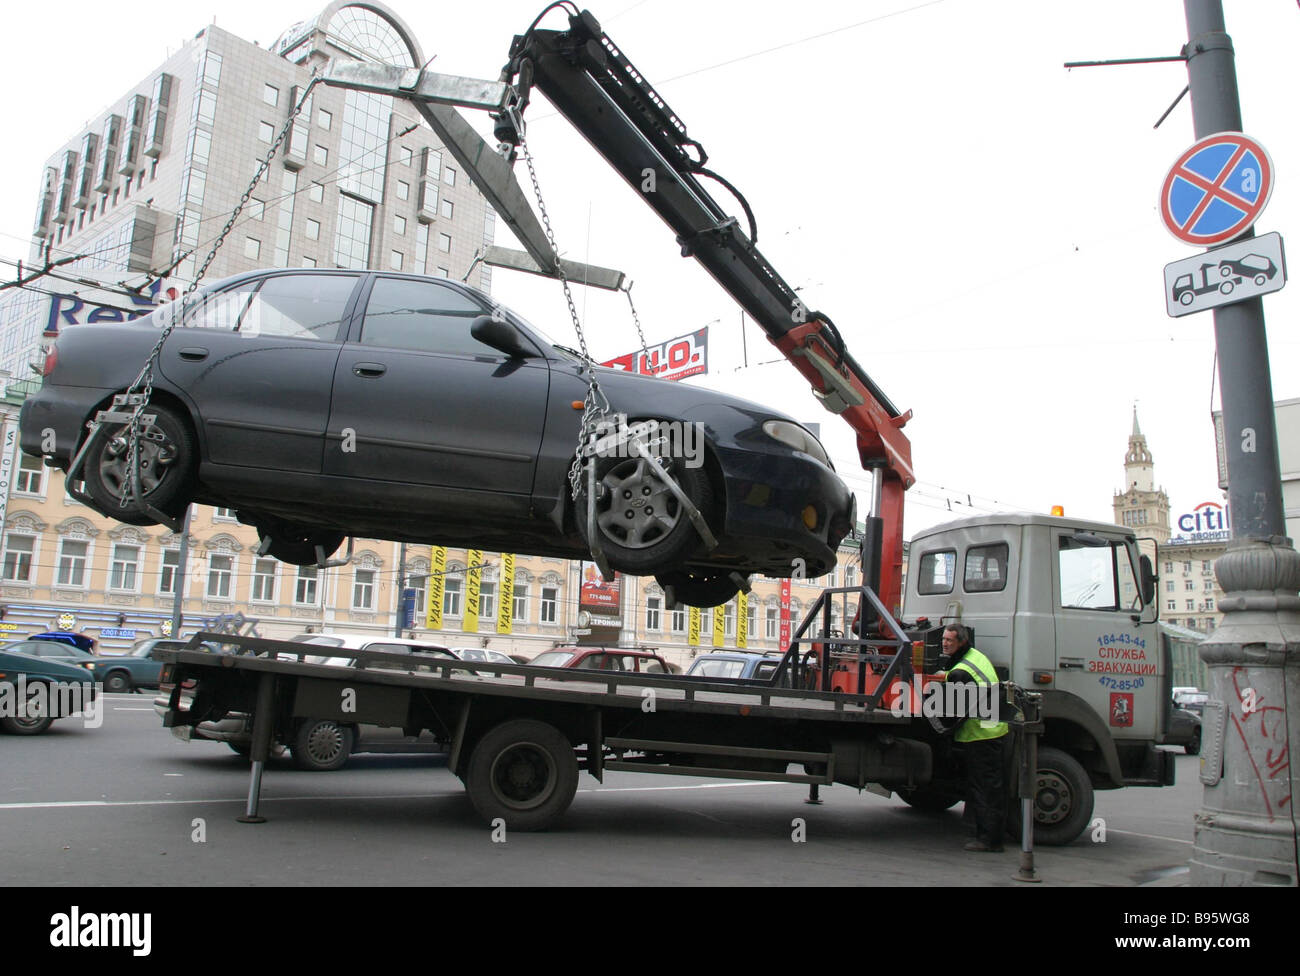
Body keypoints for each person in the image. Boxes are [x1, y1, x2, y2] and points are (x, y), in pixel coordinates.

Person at [937, 623, 1009, 853]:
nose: (945, 643)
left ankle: (989, 840)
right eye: (944, 639)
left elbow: (953, 712)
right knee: (986, 787)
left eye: (950, 640)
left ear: (961, 642)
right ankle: (986, 835)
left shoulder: (962, 670)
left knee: (985, 788)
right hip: (988, 730)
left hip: (982, 734)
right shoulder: (972, 657)